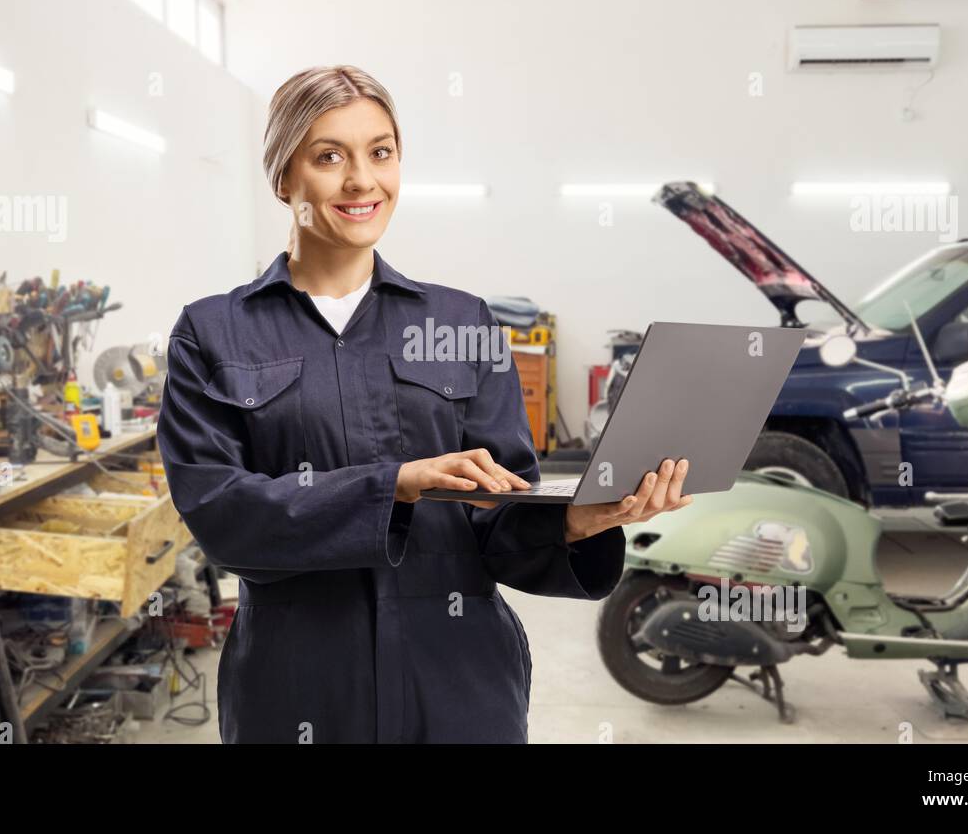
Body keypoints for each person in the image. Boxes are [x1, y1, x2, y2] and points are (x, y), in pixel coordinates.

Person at [156, 65, 694, 743]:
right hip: (299, 692)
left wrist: (576, 521)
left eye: (381, 153)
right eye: (329, 157)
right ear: (283, 178)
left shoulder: (463, 322)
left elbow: (500, 524)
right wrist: (394, 487)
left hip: (460, 687)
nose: (362, 181)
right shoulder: (213, 333)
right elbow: (221, 515)